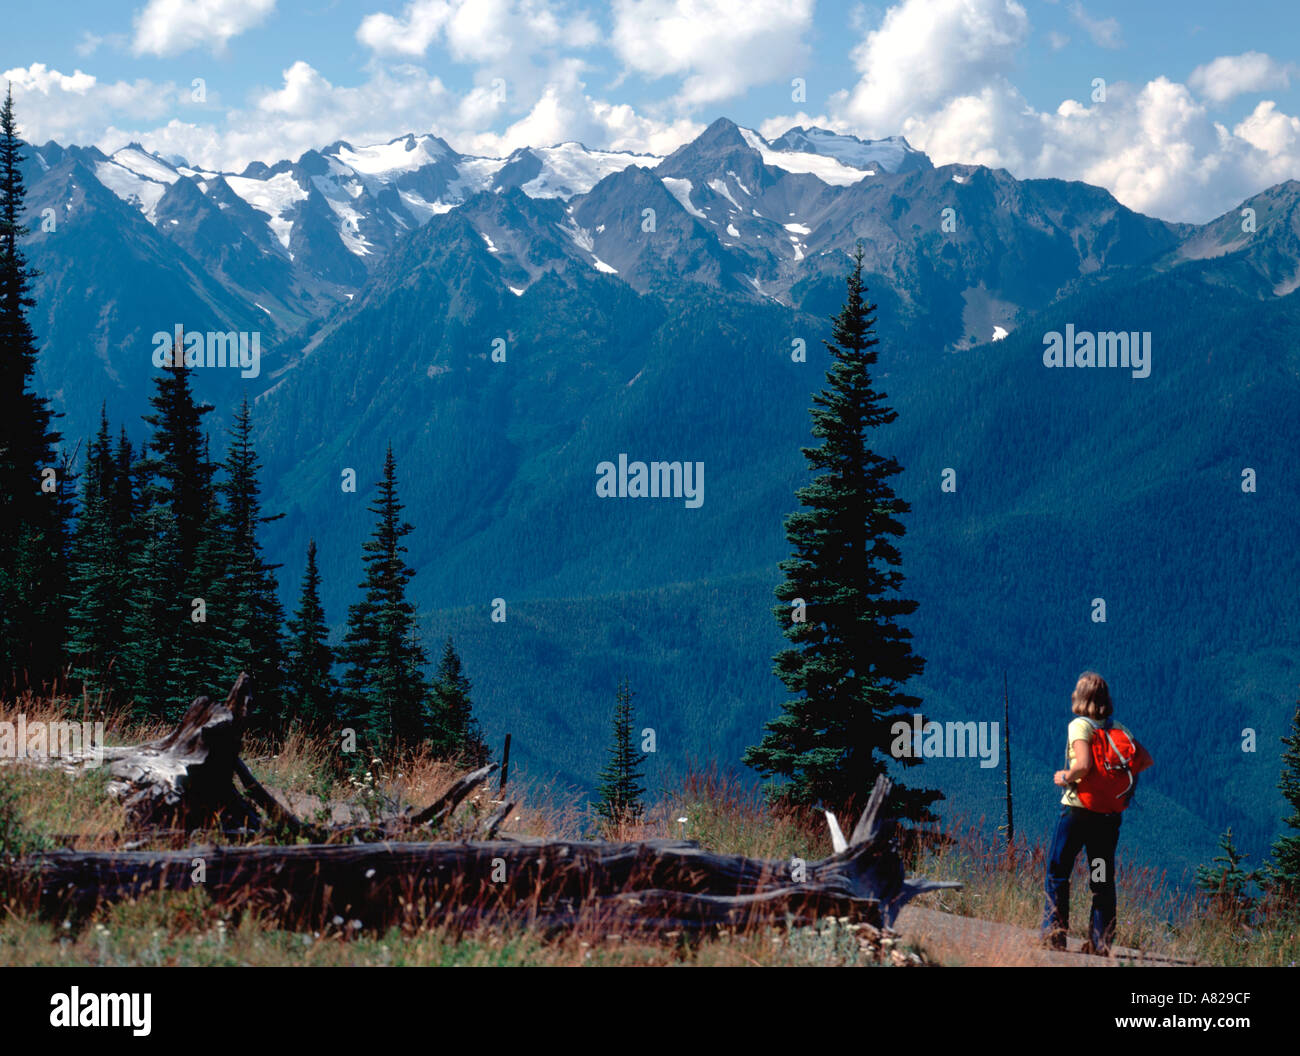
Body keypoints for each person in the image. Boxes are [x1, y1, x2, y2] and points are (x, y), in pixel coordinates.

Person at [1041, 671, 1153, 955]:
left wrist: (1064, 776)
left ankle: (1054, 936)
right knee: (1101, 878)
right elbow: (1143, 760)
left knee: (1058, 871)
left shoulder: (1080, 726)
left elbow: (1084, 765)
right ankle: (1100, 944)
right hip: (1107, 817)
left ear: (1082, 697)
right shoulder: (1119, 729)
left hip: (1078, 812)